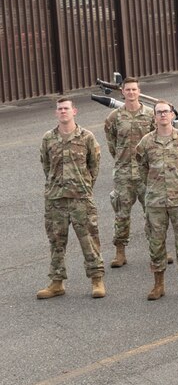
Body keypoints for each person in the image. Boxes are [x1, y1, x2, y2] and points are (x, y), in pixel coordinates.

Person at [40, 97, 106, 300]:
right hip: (56, 200)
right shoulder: (48, 138)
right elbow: (46, 166)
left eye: (66, 108)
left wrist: (83, 187)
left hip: (80, 199)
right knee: (56, 242)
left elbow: (93, 166)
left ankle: (97, 280)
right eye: (59, 109)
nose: (63, 112)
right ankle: (56, 282)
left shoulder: (86, 137)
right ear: (56, 113)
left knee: (89, 241)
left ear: (74, 111)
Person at [134, 101, 178, 300]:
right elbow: (142, 169)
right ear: (154, 117)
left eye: (166, 112)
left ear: (173, 115)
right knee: (156, 243)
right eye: (159, 112)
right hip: (155, 200)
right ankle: (158, 285)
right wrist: (155, 187)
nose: (163, 115)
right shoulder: (145, 143)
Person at [101, 80, 151, 271]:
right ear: (122, 92)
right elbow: (111, 143)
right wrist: (122, 159)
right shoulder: (114, 117)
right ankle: (120, 252)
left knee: (153, 214)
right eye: (127, 90)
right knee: (121, 214)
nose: (131, 92)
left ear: (139, 91)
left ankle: (158, 249)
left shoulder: (150, 115)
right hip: (123, 174)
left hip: (145, 172)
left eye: (134, 89)